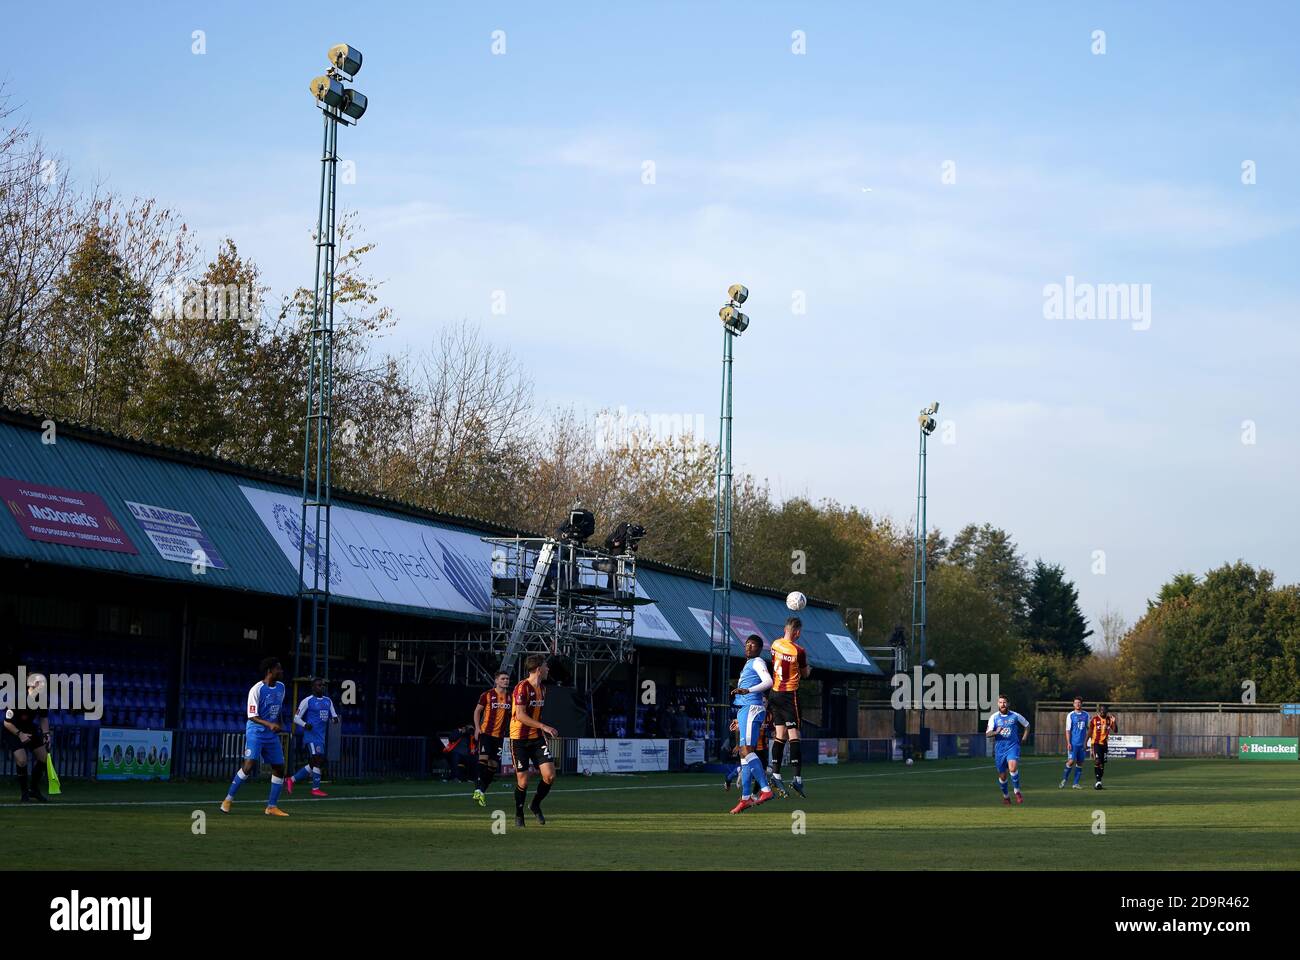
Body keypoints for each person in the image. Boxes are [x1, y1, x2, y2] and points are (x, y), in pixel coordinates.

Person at [221, 657, 290, 817]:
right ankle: (227, 800)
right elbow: (252, 715)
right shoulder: (256, 689)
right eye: (278, 669)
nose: (281, 671)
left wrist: (280, 724)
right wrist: (269, 724)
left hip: (271, 734)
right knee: (249, 765)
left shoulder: (281, 687)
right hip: (256, 732)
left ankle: (271, 807)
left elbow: (278, 708)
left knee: (279, 767)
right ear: (269, 671)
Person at [509, 655, 559, 826]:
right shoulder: (522, 688)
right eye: (546, 666)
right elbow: (521, 715)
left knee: (550, 775)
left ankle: (535, 805)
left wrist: (540, 731)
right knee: (523, 780)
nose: (548, 669)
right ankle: (518, 814)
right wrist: (545, 727)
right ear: (538, 669)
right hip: (519, 739)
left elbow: (536, 714)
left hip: (536, 738)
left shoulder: (543, 689)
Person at [729, 634, 775, 814]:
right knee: (744, 755)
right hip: (744, 710)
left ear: (759, 648)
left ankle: (765, 789)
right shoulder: (748, 664)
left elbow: (769, 681)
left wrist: (747, 690)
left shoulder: (757, 662)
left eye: (753, 644)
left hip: (752, 707)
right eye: (747, 644)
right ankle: (746, 798)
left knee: (747, 750)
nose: (748, 647)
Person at [767, 616, 811, 798]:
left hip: (774, 693)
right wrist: (809, 669)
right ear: (798, 632)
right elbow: (805, 673)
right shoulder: (799, 651)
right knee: (794, 736)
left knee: (780, 735)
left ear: (785, 629)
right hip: (789, 695)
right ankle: (797, 778)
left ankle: (776, 774)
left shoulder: (775, 644)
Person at [287, 677, 338, 797]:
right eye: (319, 685)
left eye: (323, 685)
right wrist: (305, 724)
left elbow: (334, 716)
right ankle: (315, 789)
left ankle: (291, 780)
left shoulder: (328, 701)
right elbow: (296, 718)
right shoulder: (307, 701)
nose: (322, 687)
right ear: (313, 687)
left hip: (321, 736)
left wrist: (334, 719)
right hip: (311, 736)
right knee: (317, 760)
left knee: (313, 763)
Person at [3, 672, 50, 802]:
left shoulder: (43, 700)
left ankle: (33, 789)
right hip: (13, 730)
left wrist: (46, 734)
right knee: (22, 760)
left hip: (29, 728)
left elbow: (43, 718)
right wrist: (20, 734)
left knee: (44, 757)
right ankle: (24, 793)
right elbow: (7, 722)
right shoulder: (18, 699)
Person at [472, 671, 512, 807]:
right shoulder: (487, 695)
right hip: (486, 734)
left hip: (500, 736)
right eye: (503, 679)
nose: (506, 681)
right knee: (482, 760)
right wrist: (477, 728)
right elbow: (477, 711)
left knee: (493, 766)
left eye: (507, 679)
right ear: (496, 680)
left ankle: (482, 791)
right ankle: (477, 789)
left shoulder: (510, 698)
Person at [986, 695, 1030, 805]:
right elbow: (987, 733)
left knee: (1013, 767)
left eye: (1004, 702)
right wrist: (996, 732)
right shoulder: (994, 717)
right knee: (1002, 775)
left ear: (1008, 704)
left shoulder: (1015, 716)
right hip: (1000, 749)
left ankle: (1017, 791)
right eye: (1000, 702)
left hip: (1013, 746)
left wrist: (1024, 737)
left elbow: (1027, 725)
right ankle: (1006, 796)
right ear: (998, 704)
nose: (1002, 704)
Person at [1059, 697, 1089, 789]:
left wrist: (1086, 742)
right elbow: (1068, 730)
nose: (1077, 704)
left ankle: (1075, 783)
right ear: (1073, 704)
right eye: (1076, 703)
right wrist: (1068, 742)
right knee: (1071, 761)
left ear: (1082, 704)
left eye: (1079, 702)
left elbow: (1089, 729)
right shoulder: (1070, 715)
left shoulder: (1086, 715)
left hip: (1082, 744)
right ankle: (1064, 779)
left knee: (1080, 763)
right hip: (1073, 743)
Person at [1088, 704, 1118, 789]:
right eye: (1101, 710)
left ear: (1106, 711)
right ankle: (1097, 782)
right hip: (1096, 743)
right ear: (1099, 710)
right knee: (1097, 761)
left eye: (1104, 710)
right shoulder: (1094, 719)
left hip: (1105, 745)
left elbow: (1115, 730)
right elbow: (1090, 731)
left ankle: (1099, 781)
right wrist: (1085, 742)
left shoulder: (1109, 719)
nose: (1102, 711)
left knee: (1102, 764)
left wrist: (1114, 721)